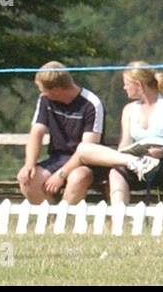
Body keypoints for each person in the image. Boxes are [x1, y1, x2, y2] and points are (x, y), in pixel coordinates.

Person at [75, 63, 163, 205]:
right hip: (136, 161)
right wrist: (126, 153)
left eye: (126, 84)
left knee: (116, 169)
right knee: (114, 171)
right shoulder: (129, 110)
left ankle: (133, 163)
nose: (124, 88)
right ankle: (119, 222)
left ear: (138, 84)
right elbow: (125, 143)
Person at [16, 63, 104, 205]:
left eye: (43, 89)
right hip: (57, 157)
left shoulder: (91, 104)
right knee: (28, 180)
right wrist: (29, 164)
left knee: (78, 177)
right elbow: (36, 132)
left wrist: (61, 175)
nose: (42, 93)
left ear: (56, 89)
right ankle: (52, 220)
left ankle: (64, 219)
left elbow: (87, 150)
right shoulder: (45, 100)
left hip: (86, 162)